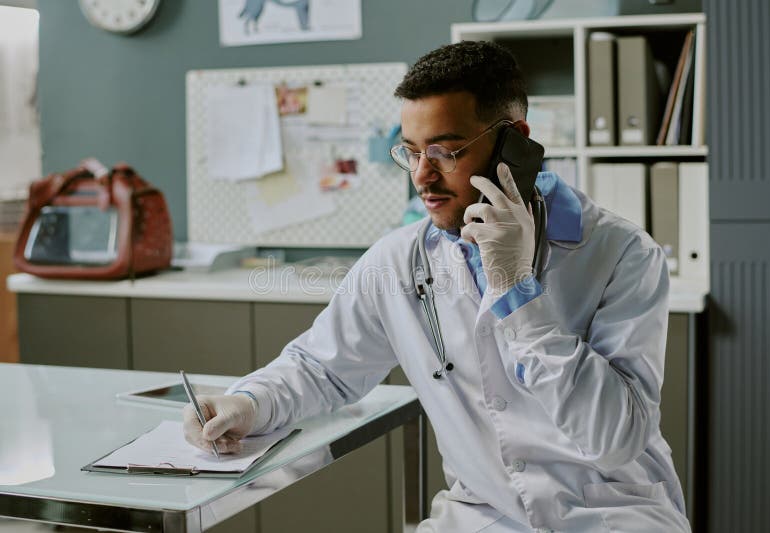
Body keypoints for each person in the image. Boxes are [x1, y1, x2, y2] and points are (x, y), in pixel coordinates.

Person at [184, 41, 691, 532]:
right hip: (482, 511)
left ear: (515, 141)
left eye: (445, 152)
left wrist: (519, 294)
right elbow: (321, 368)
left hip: (612, 513)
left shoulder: (622, 254)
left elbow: (615, 439)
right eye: (410, 153)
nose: (422, 177)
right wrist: (247, 403)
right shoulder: (400, 260)